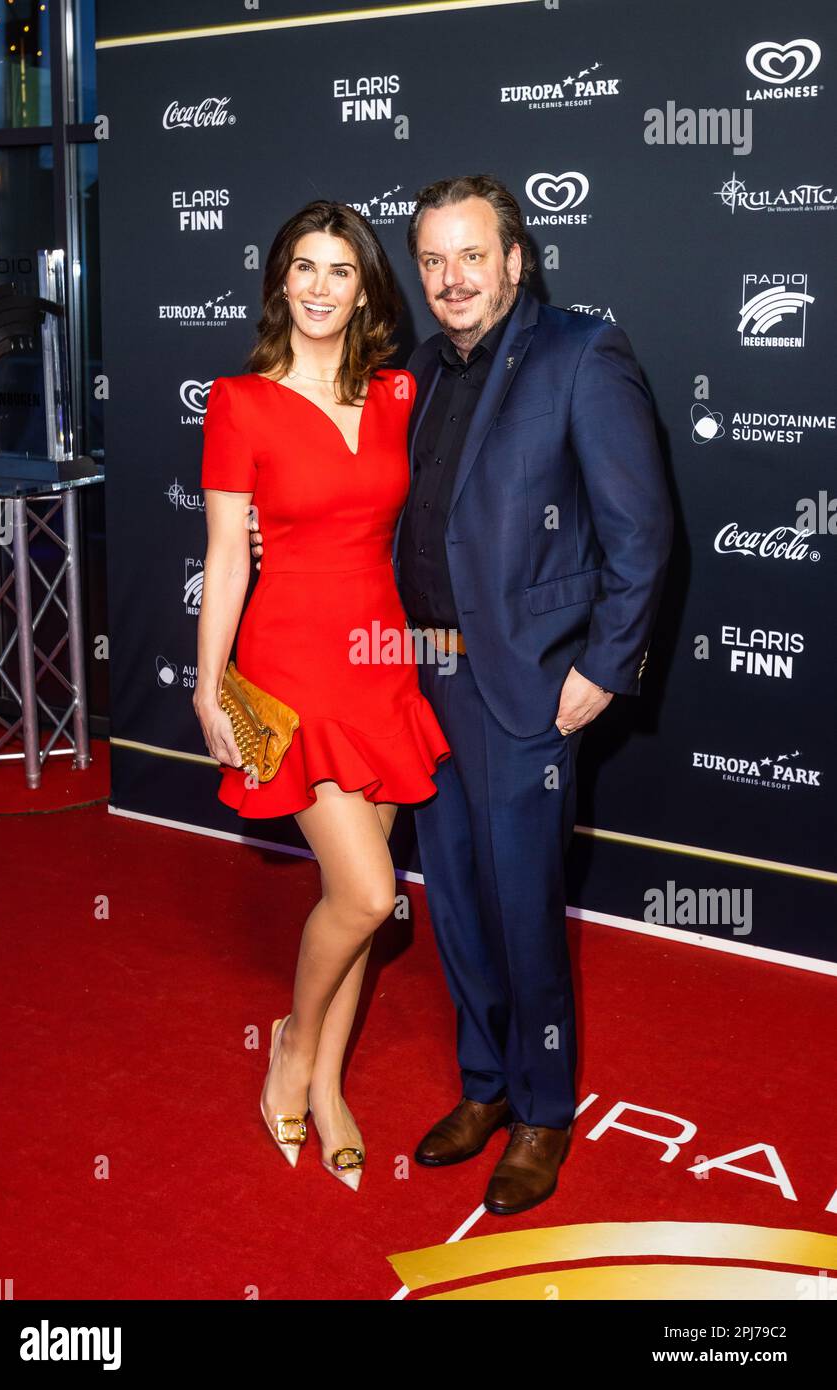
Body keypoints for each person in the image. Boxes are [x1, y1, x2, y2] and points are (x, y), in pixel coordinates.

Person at [250, 173, 674, 1216]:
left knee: (526, 907)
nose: (451, 279)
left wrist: (603, 667)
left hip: (526, 685)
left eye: (470, 255)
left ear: (515, 259)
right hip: (415, 676)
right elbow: (358, 498)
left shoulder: (581, 353)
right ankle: (484, 1084)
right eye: (432, 260)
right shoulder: (416, 374)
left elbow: (642, 530)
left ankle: (540, 1111)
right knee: (456, 908)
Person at [194, 200, 451, 1192]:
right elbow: (224, 557)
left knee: (360, 899)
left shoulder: (396, 392)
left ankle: (329, 1083)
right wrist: (211, 686)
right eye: (302, 266)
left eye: (339, 270)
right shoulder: (238, 401)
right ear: (278, 279)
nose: (317, 286)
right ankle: (294, 1048)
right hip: (288, 670)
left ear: (365, 289)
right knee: (371, 893)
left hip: (379, 661)